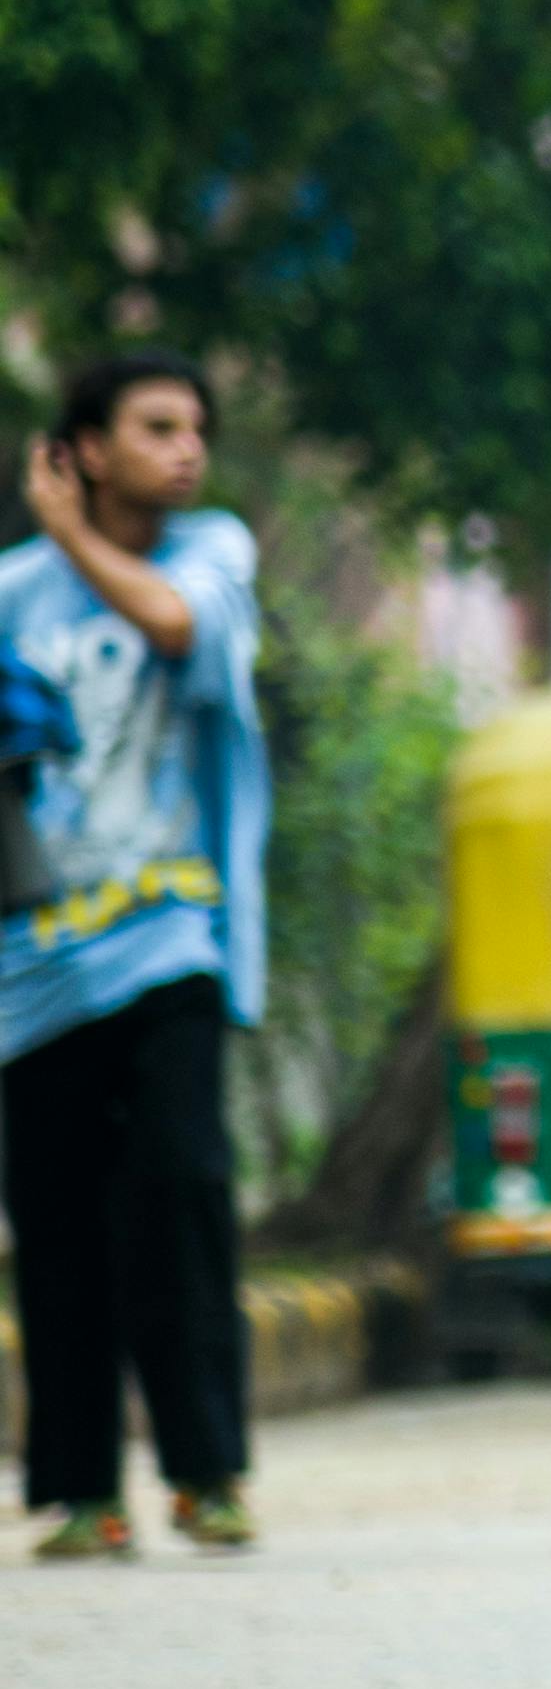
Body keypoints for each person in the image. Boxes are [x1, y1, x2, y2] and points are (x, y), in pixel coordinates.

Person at [0, 356, 273, 1562]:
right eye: (157, 427)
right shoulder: (10, 593)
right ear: (86, 447)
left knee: (182, 1190)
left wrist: (65, 533)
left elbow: (172, 628)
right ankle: (80, 1494)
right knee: (54, 1224)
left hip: (172, 937)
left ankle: (208, 1472)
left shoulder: (211, 554)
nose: (187, 449)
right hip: (33, 966)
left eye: (196, 428)